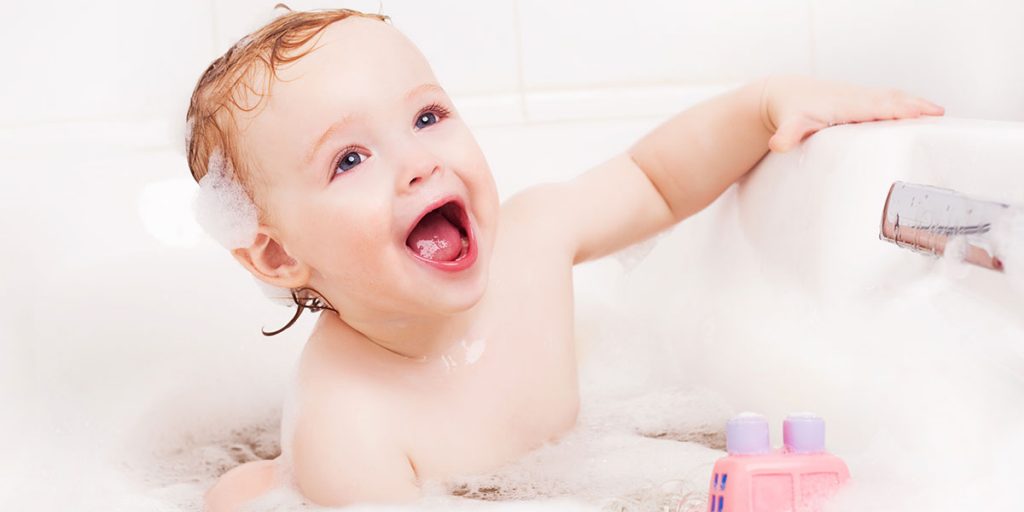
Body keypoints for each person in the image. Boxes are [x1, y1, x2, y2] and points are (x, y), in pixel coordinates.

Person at [184, 8, 943, 511]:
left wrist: (766, 104)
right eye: (350, 159)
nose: (417, 163)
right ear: (281, 255)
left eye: (427, 115)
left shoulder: (531, 241)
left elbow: (656, 179)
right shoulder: (346, 432)